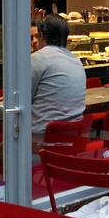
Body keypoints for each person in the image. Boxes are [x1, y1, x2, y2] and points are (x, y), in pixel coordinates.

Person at [29, 14, 86, 143]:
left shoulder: (38, 58)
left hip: (41, 144)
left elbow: (20, 102)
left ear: (42, 36)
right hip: (72, 142)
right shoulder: (77, 61)